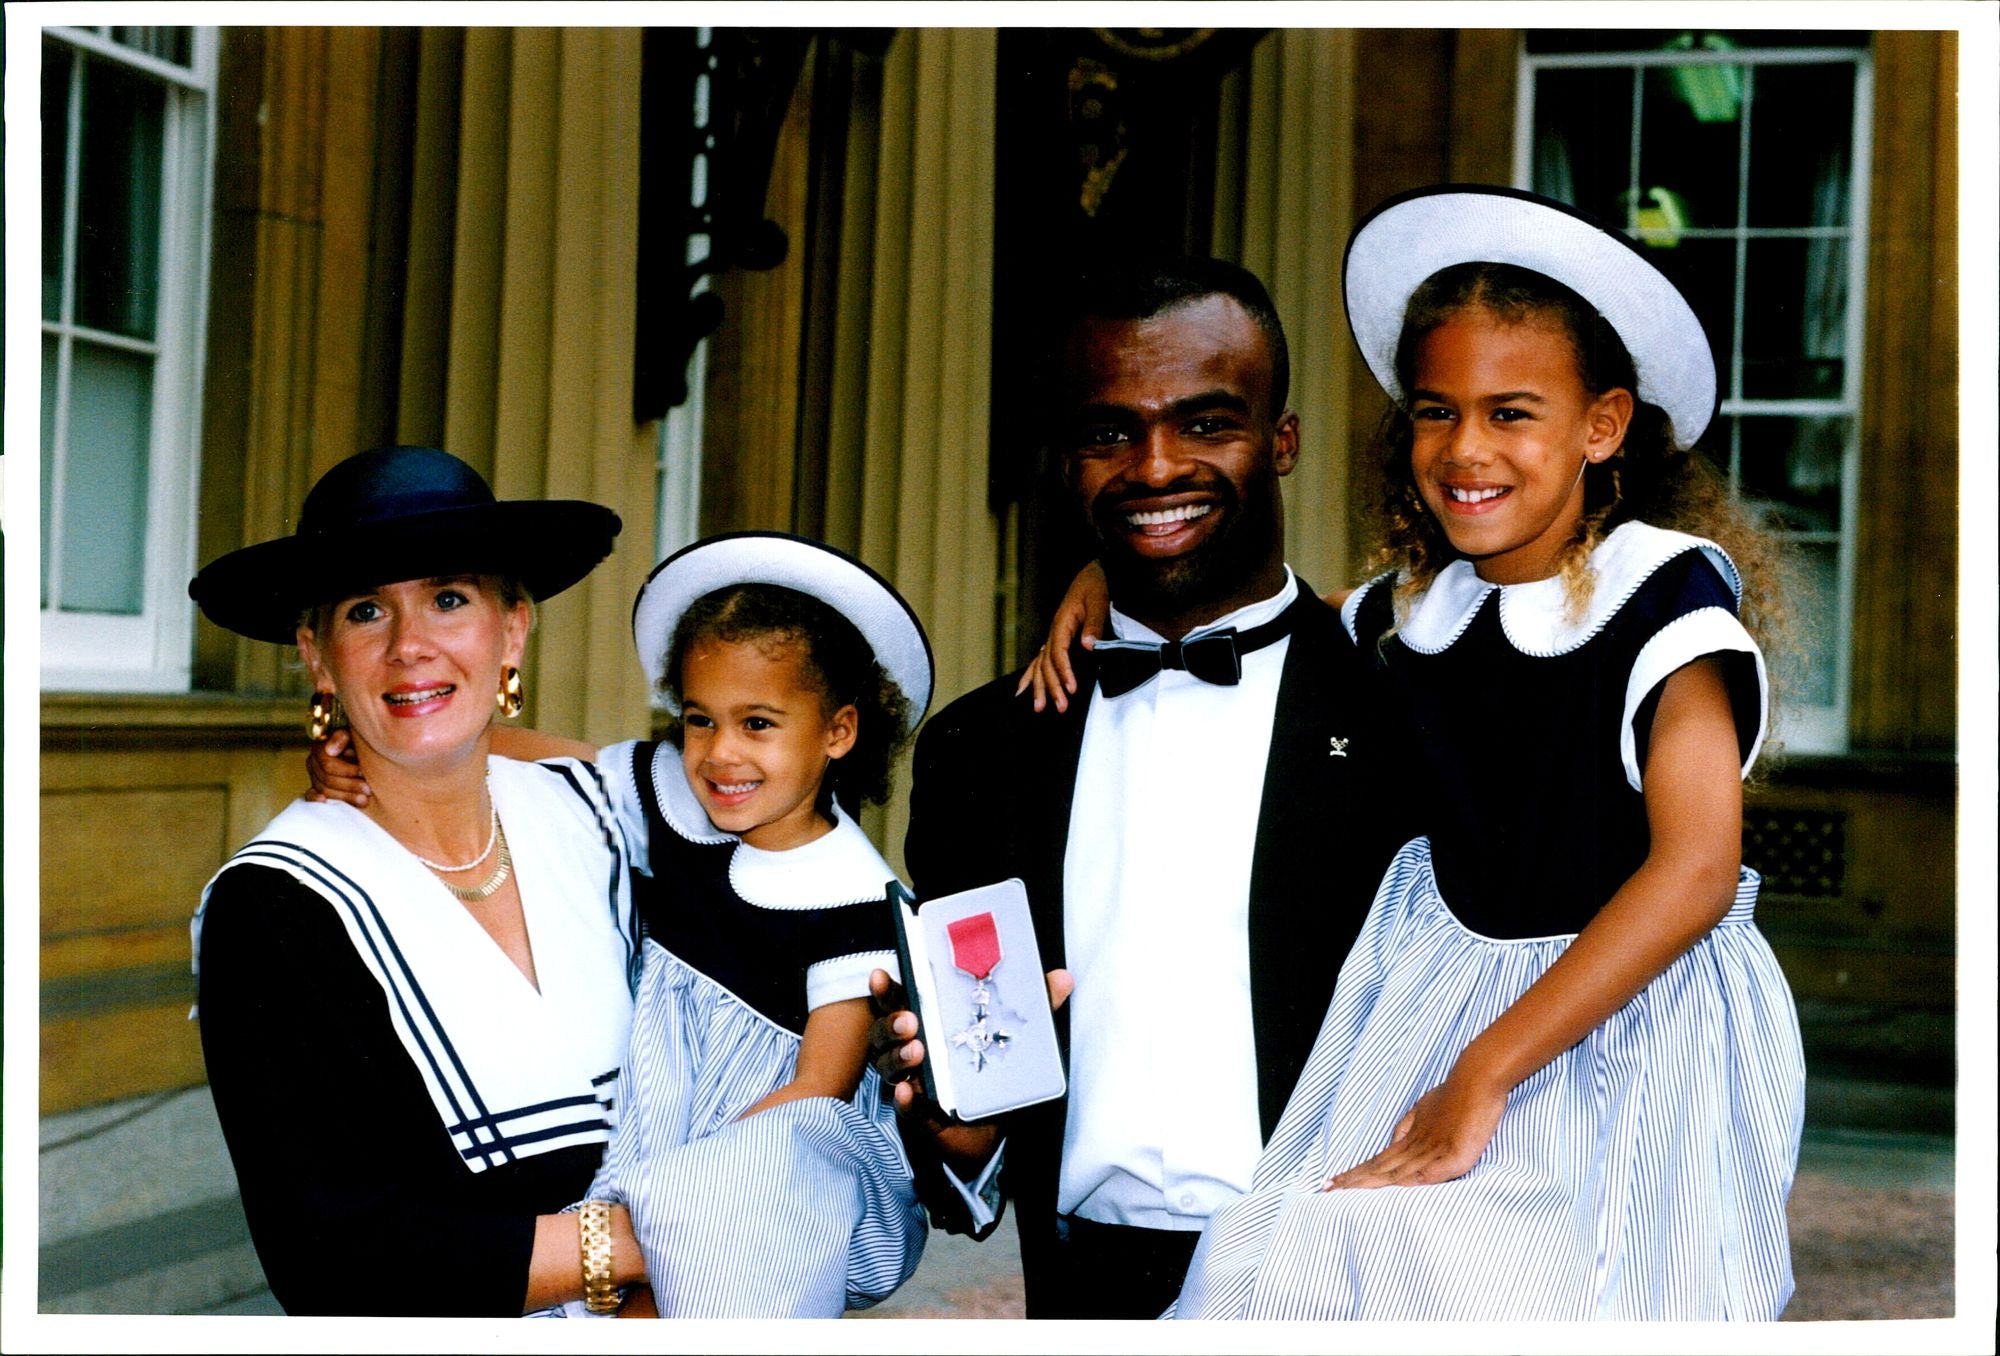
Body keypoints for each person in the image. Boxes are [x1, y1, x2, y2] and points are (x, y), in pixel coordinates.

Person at [1164, 185, 1805, 1319]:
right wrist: (1113, 584)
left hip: (1628, 1020)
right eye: (1434, 411)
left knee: (1544, 1301)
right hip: (1436, 1004)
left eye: (1511, 413)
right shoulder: (1415, 610)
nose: (1465, 449)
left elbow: (1698, 869)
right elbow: (1271, 616)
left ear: (1601, 426)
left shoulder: (1659, 598)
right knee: (1294, 1266)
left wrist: (1484, 1072)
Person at [875, 258, 1411, 1319]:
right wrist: (958, 1133)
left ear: (1282, 441)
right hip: (1083, 1294)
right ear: (1065, 460)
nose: (1155, 466)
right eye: (1107, 433)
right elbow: (973, 1109)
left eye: (1205, 423)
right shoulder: (981, 750)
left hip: (1360, 1286)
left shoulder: (1409, 718)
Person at [312, 532, 932, 1316]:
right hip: (640, 1121)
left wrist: (682, 1202)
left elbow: (816, 1093)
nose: (721, 754)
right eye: (700, 720)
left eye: (758, 724)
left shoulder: (856, 898)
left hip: (757, 1175)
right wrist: (373, 750)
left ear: (838, 731)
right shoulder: (674, 797)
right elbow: (529, 752)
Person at [187, 445, 649, 1316]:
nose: (409, 646)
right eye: (366, 611)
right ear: (319, 657)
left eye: (449, 598)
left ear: (513, 629)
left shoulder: (599, 819)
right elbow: (332, 1257)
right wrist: (646, 1244)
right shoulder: (279, 905)